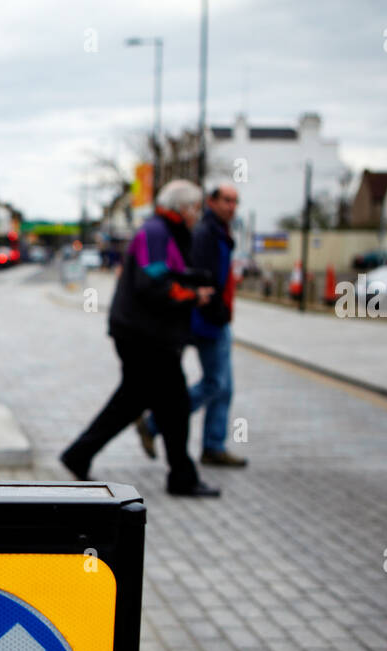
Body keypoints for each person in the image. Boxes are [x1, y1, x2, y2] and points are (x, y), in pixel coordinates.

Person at [60, 180, 220, 497]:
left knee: (137, 401)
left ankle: (79, 454)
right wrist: (193, 295)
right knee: (172, 403)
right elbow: (153, 283)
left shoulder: (163, 231)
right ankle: (181, 476)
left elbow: (166, 273)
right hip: (144, 336)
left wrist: (192, 282)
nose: (197, 215)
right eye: (196, 208)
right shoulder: (157, 232)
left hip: (145, 334)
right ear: (183, 208)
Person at [137, 182, 247, 467]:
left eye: (235, 201)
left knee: (223, 386)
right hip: (206, 317)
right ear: (211, 202)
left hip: (213, 315)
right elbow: (177, 276)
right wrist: (201, 301)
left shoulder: (217, 232)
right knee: (215, 383)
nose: (231, 206)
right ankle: (156, 424)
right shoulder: (203, 233)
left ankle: (212, 444)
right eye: (225, 200)